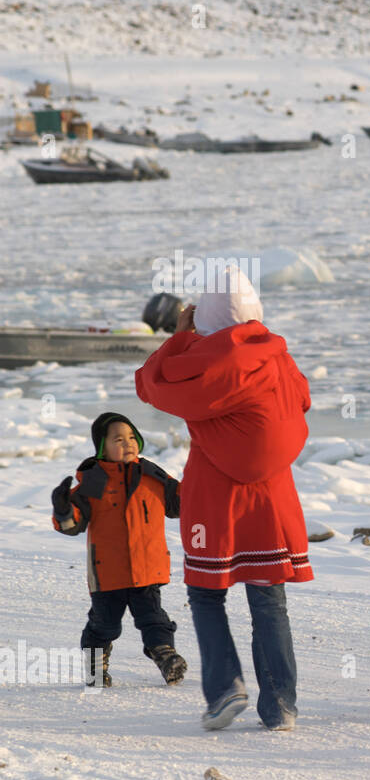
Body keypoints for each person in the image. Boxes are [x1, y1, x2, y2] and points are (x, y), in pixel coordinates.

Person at [136, 267, 312, 731]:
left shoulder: (199, 364)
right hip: (272, 495)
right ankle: (280, 707)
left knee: (206, 594)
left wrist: (180, 337)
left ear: (205, 320)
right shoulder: (280, 358)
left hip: (215, 495)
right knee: (268, 597)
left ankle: (224, 689)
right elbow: (303, 402)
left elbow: (150, 384)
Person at [50, 412, 187, 688]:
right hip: (107, 573)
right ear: (103, 448)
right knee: (105, 625)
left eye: (131, 437)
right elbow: (72, 525)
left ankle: (166, 656)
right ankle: (95, 662)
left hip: (146, 569)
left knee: (154, 619)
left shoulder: (153, 475)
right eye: (118, 439)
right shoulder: (93, 483)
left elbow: (181, 503)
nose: (128, 443)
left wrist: (201, 481)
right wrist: (63, 508)